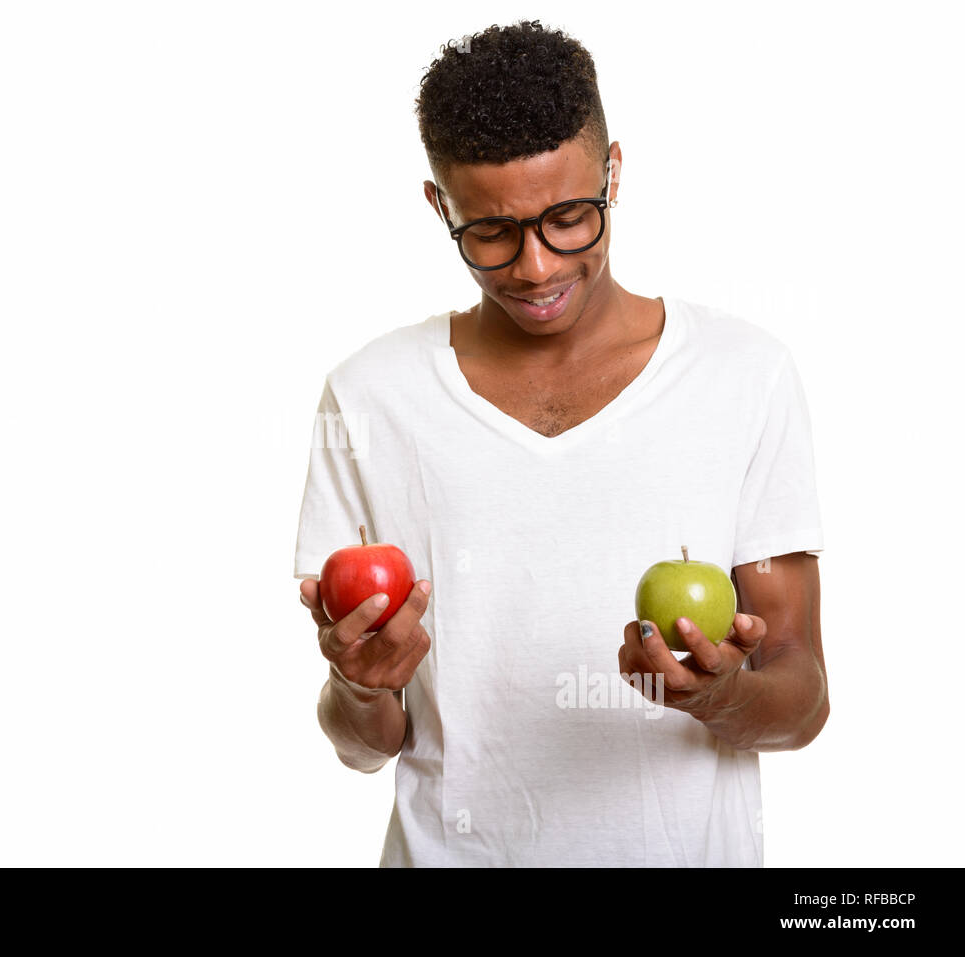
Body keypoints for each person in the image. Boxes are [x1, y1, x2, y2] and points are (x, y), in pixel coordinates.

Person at [291, 19, 827, 867]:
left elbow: (801, 703)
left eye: (569, 217)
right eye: (492, 233)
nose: (537, 268)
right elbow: (361, 744)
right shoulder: (370, 396)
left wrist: (720, 695)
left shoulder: (744, 375)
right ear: (441, 208)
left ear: (614, 172)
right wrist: (363, 682)